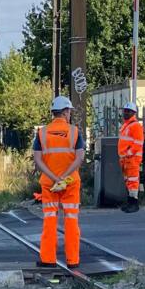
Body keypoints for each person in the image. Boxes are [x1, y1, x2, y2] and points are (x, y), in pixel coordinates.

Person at [32, 96, 84, 267]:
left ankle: (47, 259)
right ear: (66, 112)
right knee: (71, 220)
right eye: (69, 112)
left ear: (53, 113)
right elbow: (79, 157)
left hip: (49, 184)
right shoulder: (75, 132)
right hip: (70, 182)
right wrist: (64, 177)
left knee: (49, 219)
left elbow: (38, 160)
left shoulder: (42, 133)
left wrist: (54, 178)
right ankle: (73, 260)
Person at [117, 102, 144, 213]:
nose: (126, 112)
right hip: (125, 158)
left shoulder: (135, 125)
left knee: (133, 181)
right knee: (129, 181)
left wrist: (128, 153)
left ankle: (134, 203)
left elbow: (138, 143)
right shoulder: (126, 125)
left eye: (128, 111)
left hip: (131, 158)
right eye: (125, 110)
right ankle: (130, 202)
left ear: (133, 113)